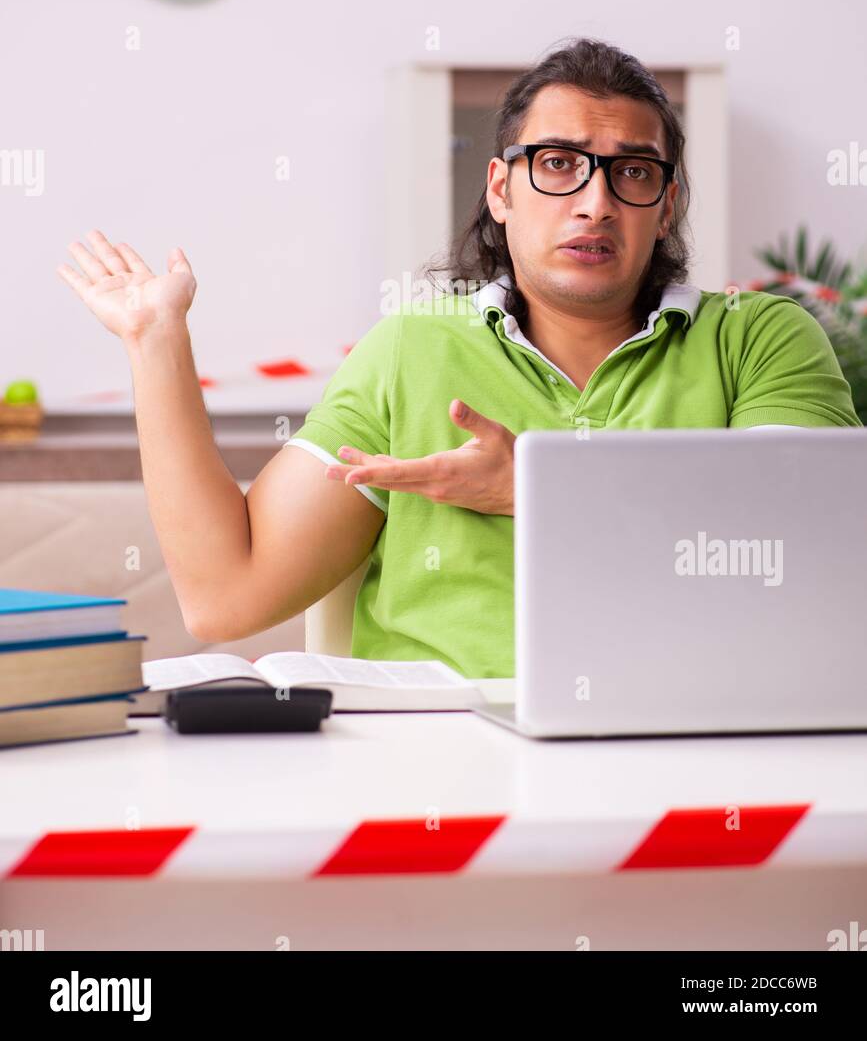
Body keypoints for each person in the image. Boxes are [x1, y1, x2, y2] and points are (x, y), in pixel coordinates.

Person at [57, 38, 861, 679]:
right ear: (500, 192)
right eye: (557, 163)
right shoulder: (411, 350)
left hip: (701, 736)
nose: (595, 200)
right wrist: (156, 342)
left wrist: (536, 490)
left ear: (666, 206)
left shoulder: (758, 338)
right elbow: (225, 596)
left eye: (632, 172)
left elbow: (809, 562)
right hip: (436, 752)